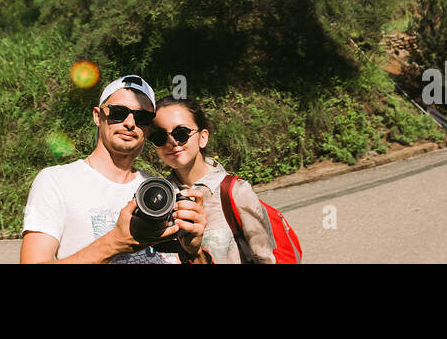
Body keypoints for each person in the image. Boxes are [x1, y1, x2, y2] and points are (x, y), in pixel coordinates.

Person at [19, 74, 211, 263]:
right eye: (118, 112)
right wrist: (115, 243)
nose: (129, 123)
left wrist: (193, 251)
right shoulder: (56, 181)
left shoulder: (160, 191)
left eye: (142, 117)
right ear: (97, 116)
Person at [150, 97, 277, 263]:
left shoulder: (236, 191)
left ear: (203, 137)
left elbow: (265, 258)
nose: (172, 142)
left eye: (181, 133)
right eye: (160, 137)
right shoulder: (158, 199)